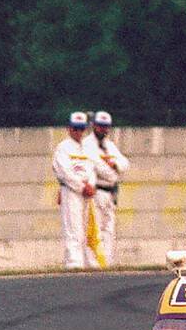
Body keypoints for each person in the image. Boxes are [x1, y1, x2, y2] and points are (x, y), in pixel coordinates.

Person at [52, 111, 97, 269]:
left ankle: (84, 263)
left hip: (86, 193)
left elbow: (91, 169)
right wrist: (82, 186)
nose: (78, 132)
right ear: (69, 128)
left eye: (81, 129)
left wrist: (90, 185)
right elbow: (65, 173)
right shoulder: (62, 148)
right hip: (71, 192)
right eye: (75, 128)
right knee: (73, 228)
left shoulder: (86, 148)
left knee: (85, 229)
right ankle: (73, 264)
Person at [86, 110, 130, 266]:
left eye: (106, 127)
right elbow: (99, 168)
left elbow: (125, 163)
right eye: (100, 126)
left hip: (110, 192)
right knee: (94, 229)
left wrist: (115, 165)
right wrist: (113, 169)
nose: (103, 129)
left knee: (109, 229)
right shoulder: (87, 145)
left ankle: (107, 263)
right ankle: (93, 264)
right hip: (97, 191)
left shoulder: (109, 146)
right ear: (94, 126)